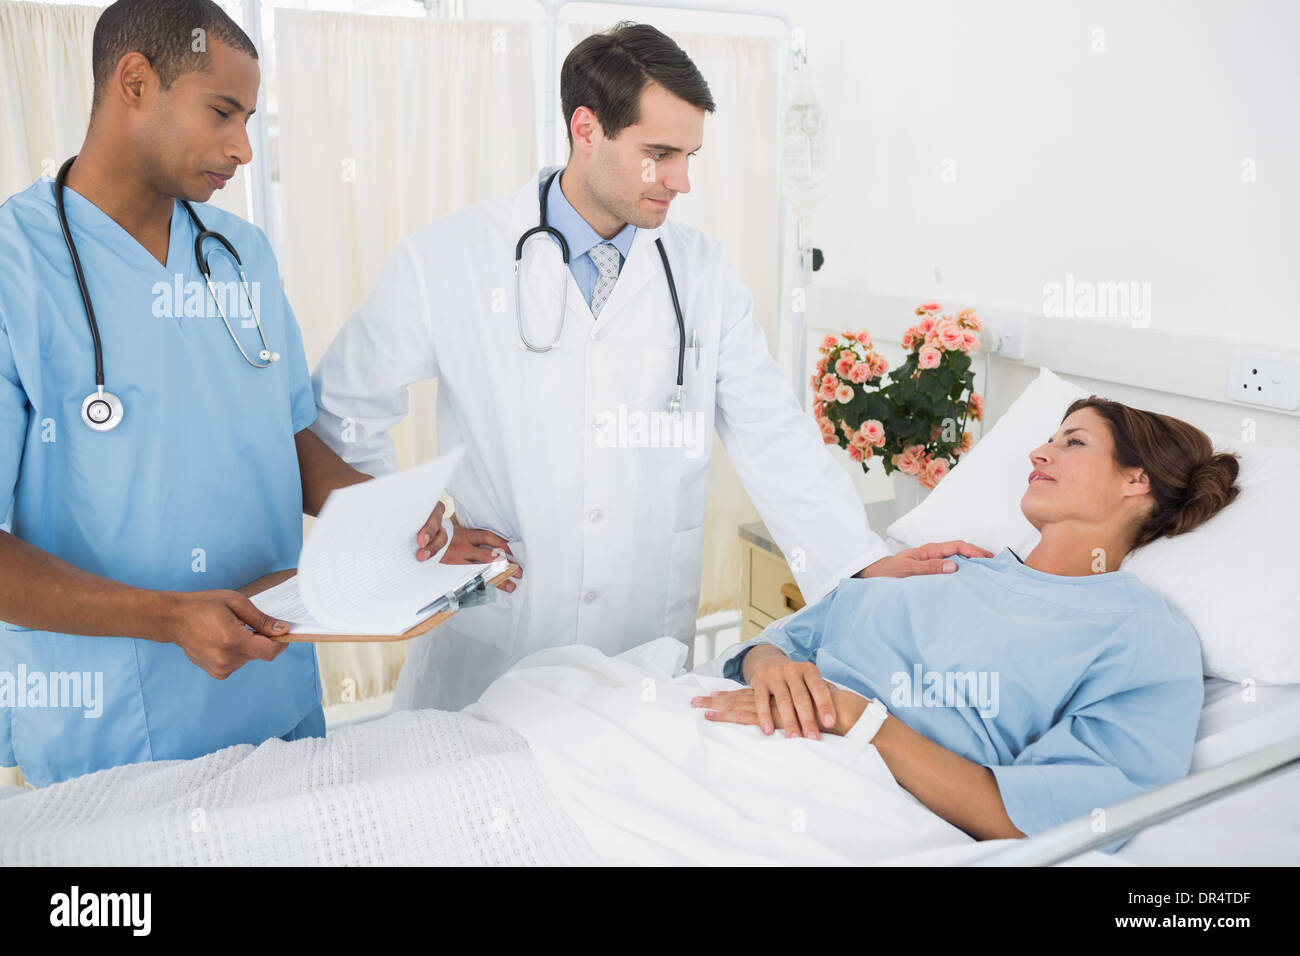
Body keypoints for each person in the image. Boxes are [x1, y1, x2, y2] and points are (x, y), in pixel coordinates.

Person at [309, 22, 989, 712]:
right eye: (659, 153)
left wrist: (856, 559)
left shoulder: (701, 272)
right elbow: (344, 411)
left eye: (690, 155)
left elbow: (771, 430)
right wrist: (413, 532)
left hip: (636, 661)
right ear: (586, 128)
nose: (682, 181)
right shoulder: (450, 257)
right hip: (493, 651)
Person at [0, 0, 461, 786]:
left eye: (248, 118)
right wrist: (169, 617)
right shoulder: (17, 272)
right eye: (222, 113)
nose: (243, 148)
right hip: (118, 734)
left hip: (274, 690)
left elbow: (285, 436)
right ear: (135, 83)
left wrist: (391, 516)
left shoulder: (239, 253)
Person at [694, 397, 1240, 848]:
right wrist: (770, 667)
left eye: (1072, 442)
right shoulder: (947, 565)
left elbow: (1055, 817)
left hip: (830, 802)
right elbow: (778, 641)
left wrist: (859, 720)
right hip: (719, 733)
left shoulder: (1141, 635)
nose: (1039, 453)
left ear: (1135, 480)